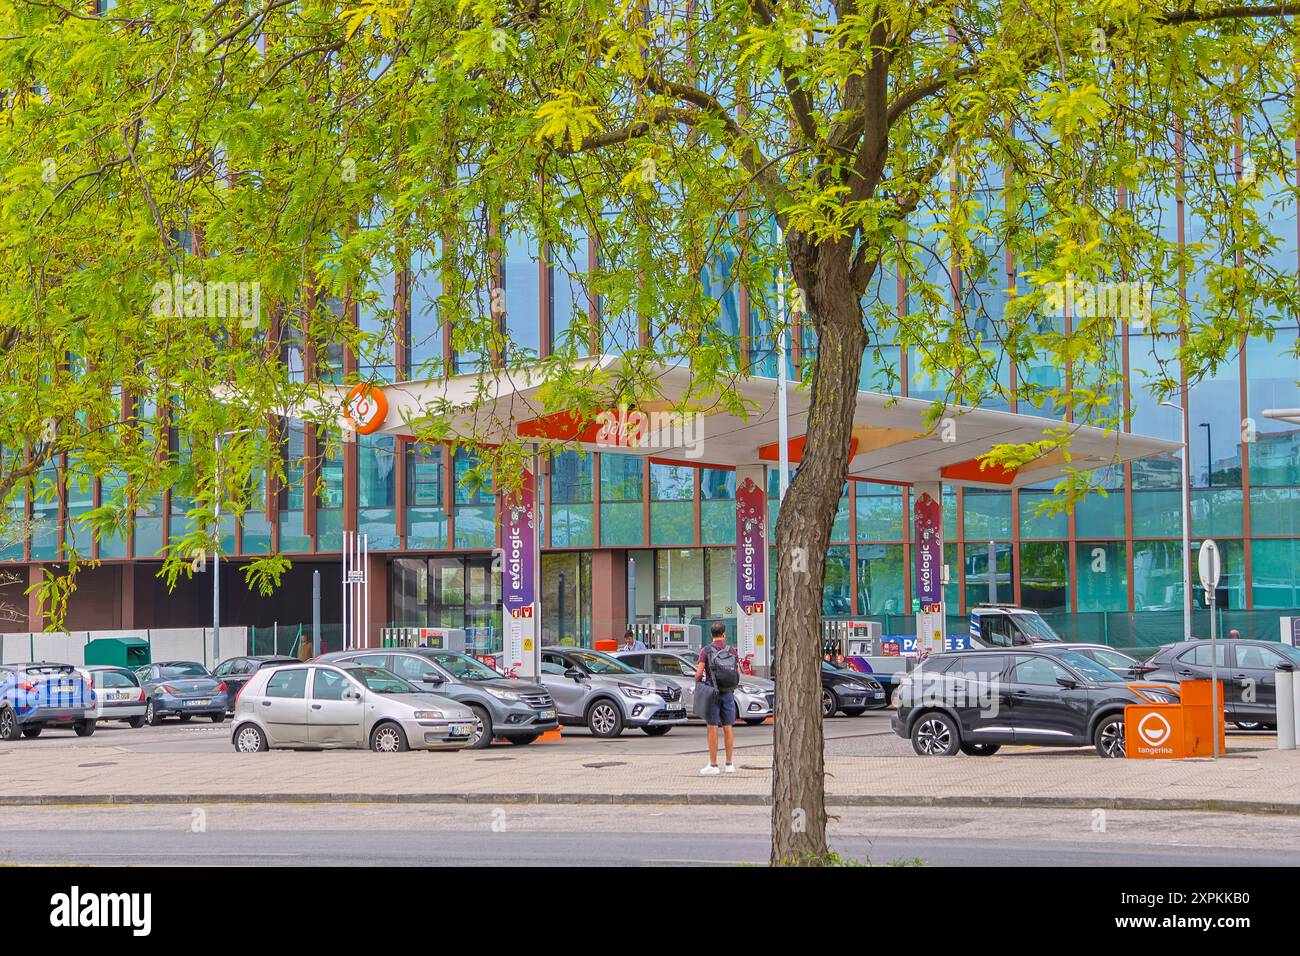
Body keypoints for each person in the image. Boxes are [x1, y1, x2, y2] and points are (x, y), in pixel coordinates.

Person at [694, 622, 739, 775]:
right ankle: (729, 764)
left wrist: (699, 683)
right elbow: (736, 672)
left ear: (711, 634)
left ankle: (713, 765)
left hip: (712, 693)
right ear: (724, 634)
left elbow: (699, 673)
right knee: (728, 727)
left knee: (712, 728)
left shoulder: (706, 651)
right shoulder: (732, 650)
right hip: (728, 692)